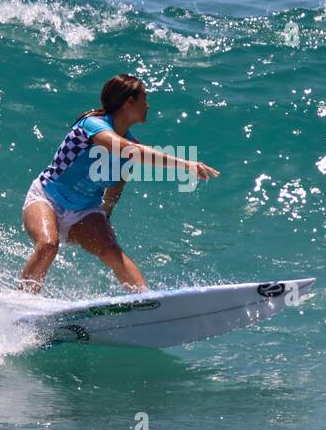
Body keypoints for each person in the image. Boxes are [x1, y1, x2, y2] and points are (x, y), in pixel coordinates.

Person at [19, 73, 219, 293]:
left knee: (112, 252)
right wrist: (185, 165)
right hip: (46, 197)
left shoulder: (132, 144)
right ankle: (24, 303)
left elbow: (114, 190)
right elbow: (124, 148)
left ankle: (147, 302)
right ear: (129, 101)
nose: (148, 105)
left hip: (84, 210)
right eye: (145, 98)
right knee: (48, 245)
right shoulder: (93, 125)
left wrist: (102, 219)